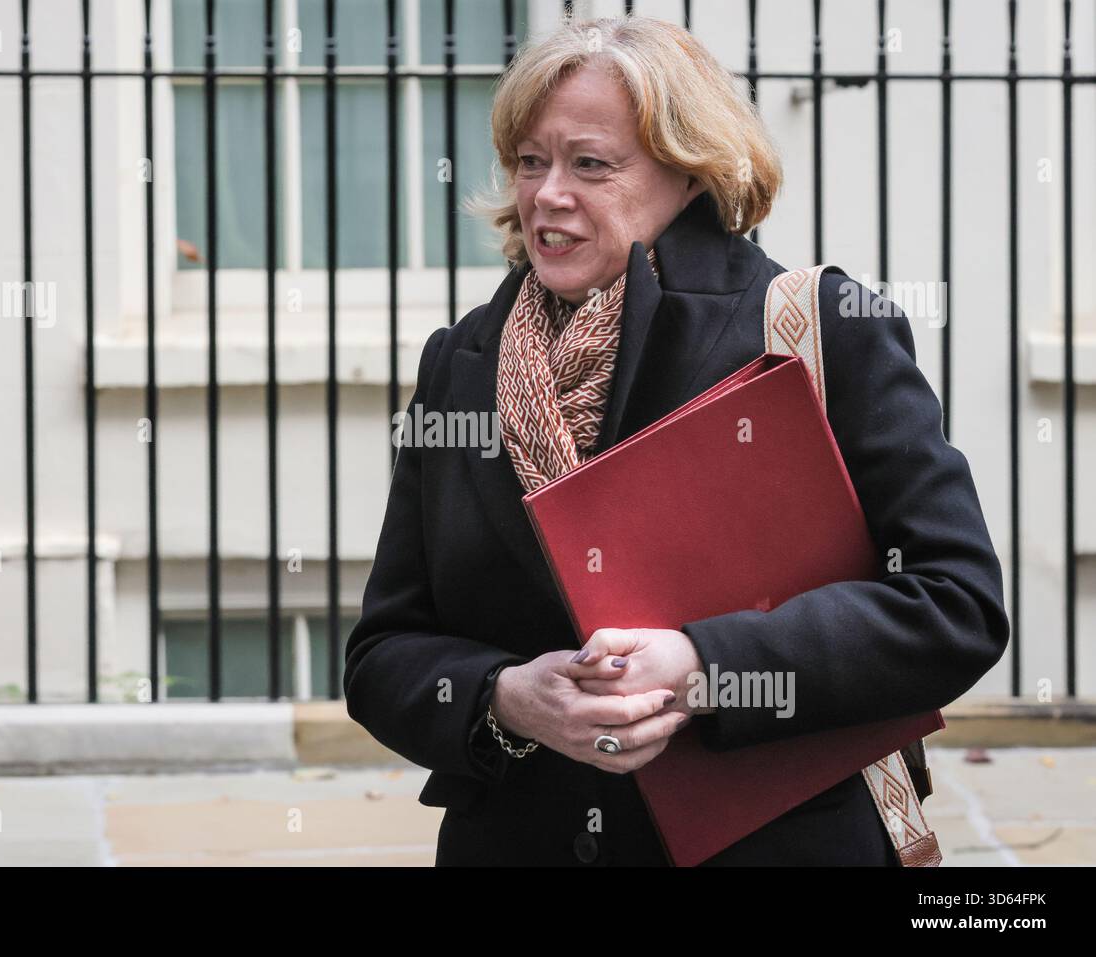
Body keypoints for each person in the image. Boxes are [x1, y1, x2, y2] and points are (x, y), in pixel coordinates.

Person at [343, 15, 1008, 866]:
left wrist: (703, 665)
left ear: (690, 172)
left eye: (591, 163)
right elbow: (383, 653)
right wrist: (507, 698)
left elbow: (956, 605)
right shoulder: (460, 363)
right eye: (530, 160)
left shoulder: (819, 329)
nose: (547, 193)